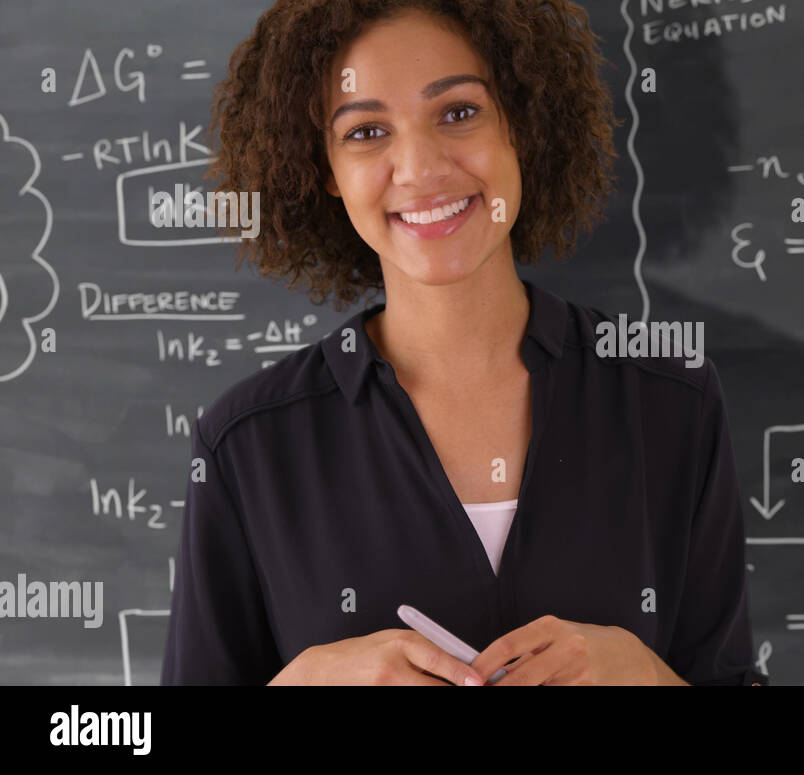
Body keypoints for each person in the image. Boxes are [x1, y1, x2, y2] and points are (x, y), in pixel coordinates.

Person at [161, 0, 765, 686]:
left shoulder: (672, 400)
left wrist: (648, 677)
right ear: (323, 167)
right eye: (366, 131)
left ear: (522, 121)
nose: (418, 169)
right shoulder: (246, 447)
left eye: (457, 112)